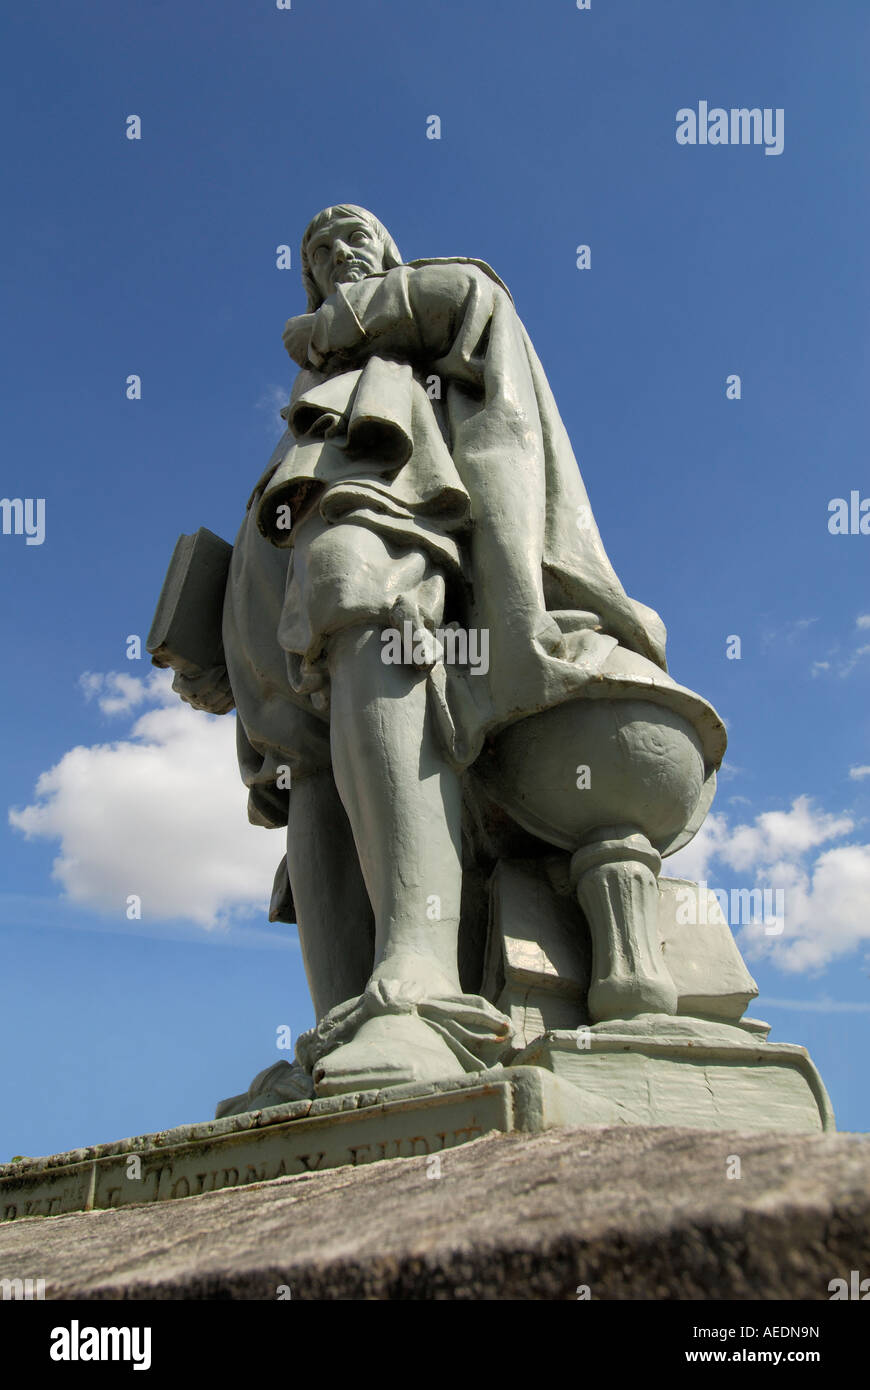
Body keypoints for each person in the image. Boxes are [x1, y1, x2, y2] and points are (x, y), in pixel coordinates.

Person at [176, 205, 726, 1099]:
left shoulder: (419, 313)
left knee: (374, 624)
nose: (334, 253)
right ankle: (342, 1024)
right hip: (288, 544)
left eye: (353, 237)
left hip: (390, 505)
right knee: (300, 760)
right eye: (317, 251)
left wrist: (337, 320)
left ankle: (423, 991)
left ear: (388, 252)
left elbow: (466, 306)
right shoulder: (317, 392)